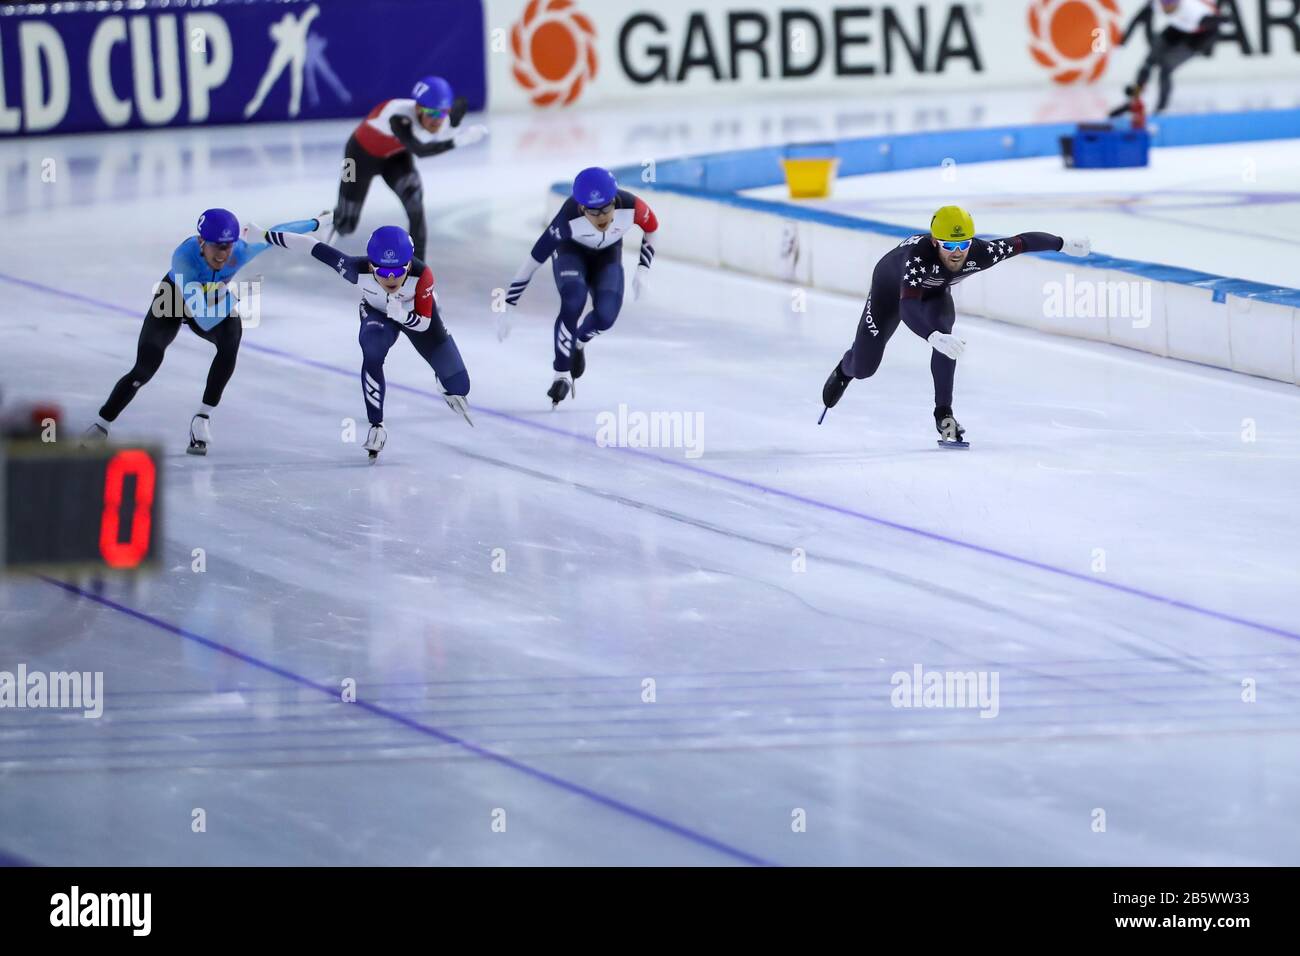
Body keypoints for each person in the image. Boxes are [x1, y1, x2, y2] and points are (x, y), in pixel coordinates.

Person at [820, 206, 1091, 447]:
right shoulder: (919, 258)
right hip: (891, 291)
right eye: (949, 246)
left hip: (936, 292)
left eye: (963, 244)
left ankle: (944, 414)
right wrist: (930, 336)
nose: (957, 253)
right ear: (935, 242)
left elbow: (1022, 242)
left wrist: (1062, 243)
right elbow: (907, 307)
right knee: (865, 367)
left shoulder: (981, 252)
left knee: (948, 341)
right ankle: (846, 368)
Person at [86, 208, 325, 454]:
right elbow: (205, 319)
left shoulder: (241, 250)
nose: (223, 255)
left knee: (232, 335)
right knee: (145, 367)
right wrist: (238, 294)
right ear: (201, 241)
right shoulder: (184, 259)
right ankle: (101, 425)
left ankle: (202, 418)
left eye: (228, 247)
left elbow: (280, 232)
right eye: (216, 247)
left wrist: (317, 222)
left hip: (212, 299)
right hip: (173, 300)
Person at [258, 223, 471, 460]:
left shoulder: (422, 275)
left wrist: (402, 315)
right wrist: (263, 235)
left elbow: (423, 323)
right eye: (382, 273)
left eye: (398, 272)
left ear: (409, 265)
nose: (391, 279)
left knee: (460, 387)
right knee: (372, 349)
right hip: (378, 314)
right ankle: (376, 425)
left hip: (415, 314)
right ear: (371, 266)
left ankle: (442, 381)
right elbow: (310, 246)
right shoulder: (354, 269)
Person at [500, 167, 659, 406]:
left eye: (606, 209)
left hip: (608, 256)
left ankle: (579, 342)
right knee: (574, 298)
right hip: (570, 254)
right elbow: (532, 261)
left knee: (606, 316)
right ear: (581, 207)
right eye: (592, 213)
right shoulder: (567, 219)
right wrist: (509, 304)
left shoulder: (632, 205)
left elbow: (652, 229)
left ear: (615, 201)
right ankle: (561, 374)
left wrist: (643, 269)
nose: (601, 218)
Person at [331, 75, 487, 262]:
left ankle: (417, 269)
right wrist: (457, 141)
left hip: (395, 158)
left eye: (443, 113)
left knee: (416, 207)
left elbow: (439, 131)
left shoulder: (441, 117)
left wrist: (453, 124)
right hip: (357, 158)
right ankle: (328, 223)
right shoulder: (397, 116)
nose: (438, 120)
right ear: (418, 108)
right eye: (433, 113)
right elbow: (419, 150)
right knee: (346, 224)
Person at [1112, 0, 1223, 116]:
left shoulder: (1195, 10)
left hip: (1200, 35)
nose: (1166, 8)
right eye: (1163, 3)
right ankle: (1134, 101)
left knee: (1165, 69)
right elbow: (1137, 19)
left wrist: (1221, 19)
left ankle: (1161, 110)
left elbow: (1219, 21)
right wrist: (1122, 43)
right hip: (1178, 26)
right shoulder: (1156, 3)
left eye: (1170, 4)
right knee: (1147, 63)